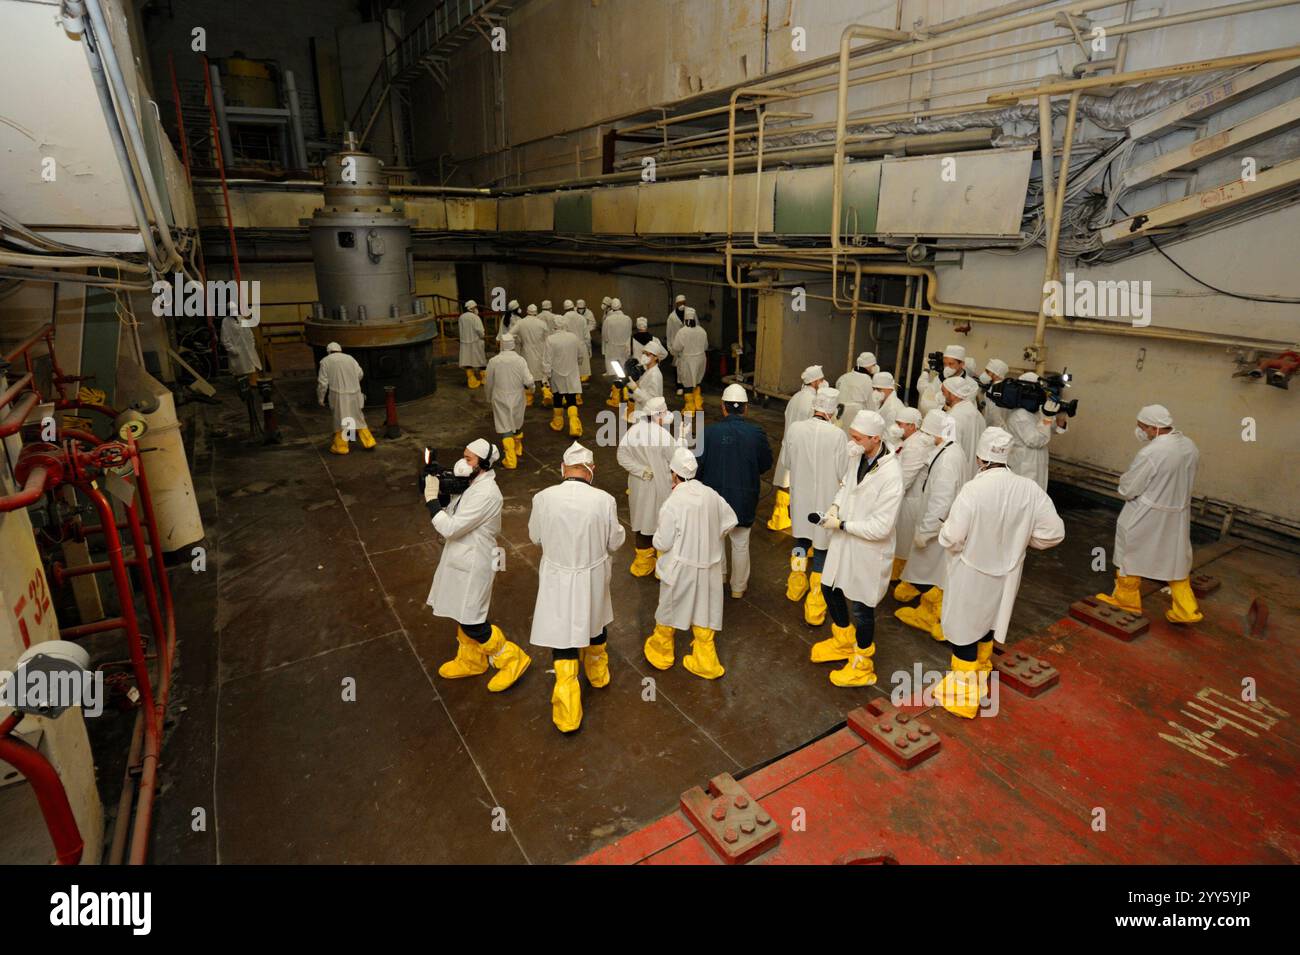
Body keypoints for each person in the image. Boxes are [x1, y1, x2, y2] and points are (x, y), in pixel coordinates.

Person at [934, 427, 1065, 717]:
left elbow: (953, 537)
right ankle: (980, 677)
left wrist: (945, 530)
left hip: (971, 572)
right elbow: (1054, 533)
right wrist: (1021, 541)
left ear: (980, 458)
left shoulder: (973, 489)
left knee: (965, 630)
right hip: (1007, 575)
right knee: (987, 625)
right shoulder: (1028, 488)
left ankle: (963, 697)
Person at [528, 441, 625, 733]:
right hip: (592, 574)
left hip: (557, 576)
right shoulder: (604, 500)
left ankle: (568, 705)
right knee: (595, 619)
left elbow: (535, 537)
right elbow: (615, 541)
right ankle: (597, 671)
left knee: (562, 631)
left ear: (562, 468)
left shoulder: (543, 498)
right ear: (591, 470)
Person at [424, 438, 531, 692]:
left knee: (472, 618)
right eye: (464, 455)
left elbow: (450, 528)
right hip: (462, 555)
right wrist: (441, 488)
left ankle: (512, 658)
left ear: (482, 464)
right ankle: (471, 660)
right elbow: (454, 510)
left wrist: (431, 500)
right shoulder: (473, 483)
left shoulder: (486, 493)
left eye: (469, 459)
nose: (463, 462)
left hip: (476, 560)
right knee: (463, 611)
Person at [812, 410, 904, 687]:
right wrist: (835, 506)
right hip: (846, 540)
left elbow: (880, 528)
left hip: (868, 550)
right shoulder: (859, 457)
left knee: (863, 608)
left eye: (857, 437)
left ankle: (863, 664)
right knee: (829, 587)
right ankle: (843, 639)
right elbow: (846, 487)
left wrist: (840, 524)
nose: (852, 442)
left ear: (875, 439)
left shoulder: (892, 476)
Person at [1095, 404, 1202, 625]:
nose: (1140, 431)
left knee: (1130, 555)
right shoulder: (1189, 445)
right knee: (1175, 559)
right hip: (1177, 513)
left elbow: (1130, 488)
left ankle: (1126, 601)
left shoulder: (1152, 452)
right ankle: (1186, 610)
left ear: (1154, 428)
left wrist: (1123, 485)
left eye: (1142, 427)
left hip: (1146, 513)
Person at [643, 447, 738, 680]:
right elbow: (730, 520)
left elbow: (663, 542)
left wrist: (655, 539)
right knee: (704, 611)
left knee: (669, 609)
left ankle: (661, 653)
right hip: (709, 566)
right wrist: (710, 538)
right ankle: (705, 661)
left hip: (680, 568)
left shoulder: (673, 502)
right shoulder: (711, 494)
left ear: (674, 474)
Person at [894, 409, 970, 638]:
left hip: (936, 529)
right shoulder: (948, 450)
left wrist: (926, 531)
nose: (925, 436)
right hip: (939, 525)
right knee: (928, 572)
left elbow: (941, 500)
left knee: (926, 572)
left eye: (927, 431)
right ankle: (929, 611)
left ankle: (939, 614)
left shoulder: (948, 459)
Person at [695, 383, 774, 599]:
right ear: (746, 408)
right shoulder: (756, 432)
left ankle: (719, 578)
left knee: (717, 540)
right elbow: (766, 463)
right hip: (744, 497)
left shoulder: (708, 432)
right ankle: (738, 588)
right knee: (740, 544)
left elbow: (697, 466)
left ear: (723, 407)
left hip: (714, 497)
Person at [782, 387, 849, 626]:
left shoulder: (795, 429)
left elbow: (787, 461)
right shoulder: (838, 436)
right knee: (821, 549)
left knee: (800, 540)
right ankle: (815, 602)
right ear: (833, 411)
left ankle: (796, 584)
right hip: (825, 503)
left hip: (800, 498)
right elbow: (845, 472)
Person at [616, 396, 676, 578]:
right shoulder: (664, 436)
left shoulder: (633, 432)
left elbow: (622, 457)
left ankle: (642, 564)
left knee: (642, 522)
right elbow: (676, 460)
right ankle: (662, 567)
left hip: (639, 485)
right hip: (663, 487)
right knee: (662, 523)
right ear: (658, 416)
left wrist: (641, 471)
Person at [766, 364, 826, 531]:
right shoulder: (814, 402)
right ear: (814, 382)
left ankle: (779, 518)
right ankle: (802, 523)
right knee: (802, 487)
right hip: (804, 449)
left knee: (785, 481)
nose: (823, 382)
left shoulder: (796, 397)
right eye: (821, 380)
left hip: (789, 445)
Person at [887, 407, 928, 584]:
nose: (896, 427)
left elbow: (905, 478)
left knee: (905, 539)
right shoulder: (908, 441)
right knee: (901, 538)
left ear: (912, 426)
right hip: (903, 498)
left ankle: (905, 575)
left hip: (910, 500)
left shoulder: (917, 446)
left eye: (900, 424)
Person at [1005, 372, 1067, 490]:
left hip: (1037, 463)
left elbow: (1054, 429)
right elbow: (1034, 440)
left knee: (1037, 497)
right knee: (1025, 499)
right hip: (1025, 465)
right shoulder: (1019, 415)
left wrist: (1061, 417)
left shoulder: (1036, 410)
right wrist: (1047, 418)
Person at [316, 341, 376, 454]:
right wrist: (351, 382)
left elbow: (322, 383)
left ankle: (341, 447)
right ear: (340, 350)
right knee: (357, 417)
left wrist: (320, 398)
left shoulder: (325, 361)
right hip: (354, 392)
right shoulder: (350, 358)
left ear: (328, 352)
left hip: (338, 394)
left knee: (340, 419)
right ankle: (369, 442)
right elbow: (360, 374)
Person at [484, 333, 532, 469]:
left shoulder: (494, 361)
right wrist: (532, 389)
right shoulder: (520, 360)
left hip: (499, 397)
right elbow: (528, 380)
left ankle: (510, 459)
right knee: (517, 422)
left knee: (505, 426)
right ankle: (518, 447)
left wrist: (488, 396)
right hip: (517, 396)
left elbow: (489, 382)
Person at [543, 318, 584, 437]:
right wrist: (578, 364)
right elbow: (580, 355)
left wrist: (546, 376)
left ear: (554, 326)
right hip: (572, 371)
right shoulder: (573, 337)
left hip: (557, 373)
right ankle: (574, 425)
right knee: (571, 398)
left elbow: (547, 360)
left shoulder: (550, 339)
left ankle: (558, 423)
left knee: (557, 397)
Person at [942, 374, 985, 478]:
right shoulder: (978, 414)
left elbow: (946, 450)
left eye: (944, 392)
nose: (942, 395)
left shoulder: (951, 417)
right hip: (975, 475)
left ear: (953, 394)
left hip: (956, 474)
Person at [512, 304, 552, 407]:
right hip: (541, 351)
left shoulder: (520, 323)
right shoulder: (542, 323)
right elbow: (548, 339)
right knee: (543, 373)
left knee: (527, 374)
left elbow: (510, 334)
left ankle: (529, 398)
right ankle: (546, 393)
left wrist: (518, 340)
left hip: (526, 352)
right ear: (536, 312)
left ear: (527, 311)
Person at [674, 311, 709, 415]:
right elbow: (705, 346)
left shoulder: (682, 332)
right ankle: (698, 405)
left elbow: (676, 347)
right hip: (700, 359)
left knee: (688, 384)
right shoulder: (702, 330)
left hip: (688, 361)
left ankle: (690, 409)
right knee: (697, 382)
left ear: (685, 319)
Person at [917, 343, 968, 415]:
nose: (947, 367)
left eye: (951, 364)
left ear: (961, 364)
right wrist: (943, 408)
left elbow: (961, 411)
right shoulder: (940, 378)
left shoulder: (971, 385)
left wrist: (940, 406)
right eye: (945, 364)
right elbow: (926, 401)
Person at [601, 299, 633, 407]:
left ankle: (616, 398)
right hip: (624, 348)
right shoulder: (627, 319)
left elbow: (605, 336)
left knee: (616, 371)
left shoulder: (608, 320)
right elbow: (629, 333)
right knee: (624, 369)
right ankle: (626, 393)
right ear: (621, 306)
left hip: (613, 348)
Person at [835, 352, 880, 430]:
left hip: (839, 417)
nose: (875, 367)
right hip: (857, 421)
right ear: (868, 366)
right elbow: (871, 406)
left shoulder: (843, 377)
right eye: (873, 365)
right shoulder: (868, 381)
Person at [627, 338, 666, 421]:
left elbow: (652, 402)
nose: (644, 356)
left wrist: (635, 389)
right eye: (643, 353)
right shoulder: (647, 370)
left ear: (656, 357)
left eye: (648, 354)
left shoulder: (655, 375)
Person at [220, 313, 262, 382]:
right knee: (241, 369)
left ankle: (252, 382)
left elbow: (249, 332)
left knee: (251, 366)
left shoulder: (241, 318)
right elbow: (224, 338)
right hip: (237, 350)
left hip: (248, 348)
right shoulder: (225, 321)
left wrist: (252, 342)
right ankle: (243, 384)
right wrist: (232, 349)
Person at [566, 298, 596, 385]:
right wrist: (588, 347)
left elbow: (592, 324)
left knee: (578, 363)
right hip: (579, 342)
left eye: (582, 308)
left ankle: (579, 378)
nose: (580, 310)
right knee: (579, 363)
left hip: (575, 342)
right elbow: (587, 336)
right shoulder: (580, 318)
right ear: (575, 307)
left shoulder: (588, 313)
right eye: (579, 308)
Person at [458, 300, 487, 388]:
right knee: (481, 362)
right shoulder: (475, 317)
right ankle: (484, 380)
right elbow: (480, 331)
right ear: (472, 308)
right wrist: (483, 336)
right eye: (475, 307)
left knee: (468, 362)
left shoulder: (461, 317)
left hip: (464, 343)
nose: (476, 309)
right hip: (476, 343)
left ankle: (472, 381)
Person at [978, 357, 1010, 428]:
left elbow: (994, 415)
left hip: (995, 429)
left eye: (987, 372)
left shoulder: (996, 390)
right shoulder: (1004, 387)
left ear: (996, 374)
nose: (984, 374)